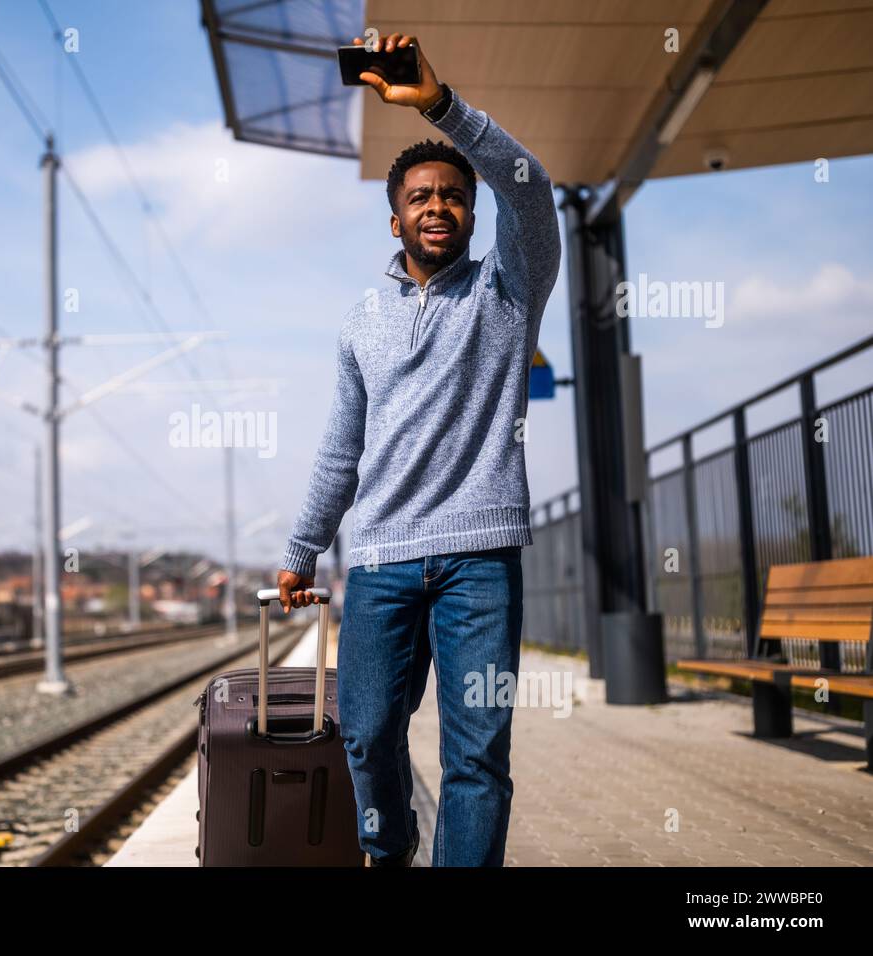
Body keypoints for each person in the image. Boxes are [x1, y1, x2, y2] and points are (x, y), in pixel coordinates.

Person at [275, 33, 560, 867]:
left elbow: (531, 189)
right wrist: (302, 548)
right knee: (365, 735)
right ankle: (387, 851)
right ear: (395, 215)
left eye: (454, 197)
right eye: (422, 197)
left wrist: (440, 106)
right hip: (381, 563)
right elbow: (341, 447)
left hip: (480, 562)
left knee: (476, 757)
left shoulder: (509, 289)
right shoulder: (362, 318)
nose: (439, 207)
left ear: (471, 214)